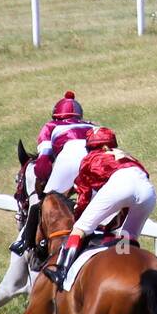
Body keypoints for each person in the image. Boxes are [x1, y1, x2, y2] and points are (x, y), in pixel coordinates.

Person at [43, 127, 156, 288]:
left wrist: (80, 219)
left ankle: (62, 271)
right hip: (148, 191)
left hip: (121, 184)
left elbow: (84, 195)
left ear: (91, 146)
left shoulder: (90, 158)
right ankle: (126, 268)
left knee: (80, 228)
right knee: (127, 236)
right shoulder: (128, 156)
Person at [10, 90, 98, 255]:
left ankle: (25, 242)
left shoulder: (51, 127)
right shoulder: (93, 125)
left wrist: (42, 181)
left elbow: (43, 162)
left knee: (45, 201)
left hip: (69, 161)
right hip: (96, 162)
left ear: (56, 115)